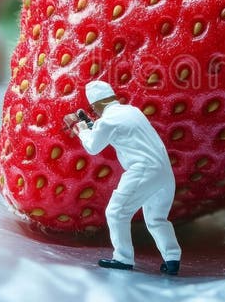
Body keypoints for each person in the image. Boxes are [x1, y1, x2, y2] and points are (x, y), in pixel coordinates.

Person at [69, 81, 182, 275]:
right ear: (112, 98)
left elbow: (93, 147)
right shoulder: (132, 111)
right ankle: (172, 259)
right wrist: (92, 125)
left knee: (116, 212)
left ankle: (123, 258)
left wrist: (81, 129)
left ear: (96, 106)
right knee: (157, 218)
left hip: (143, 170)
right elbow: (114, 132)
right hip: (164, 172)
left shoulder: (107, 121)